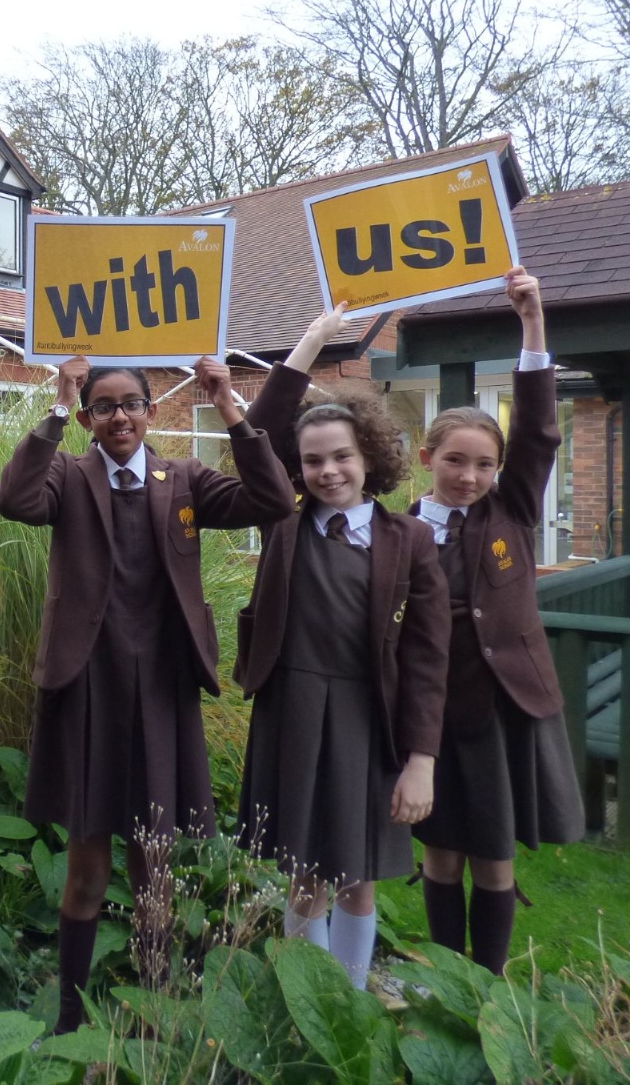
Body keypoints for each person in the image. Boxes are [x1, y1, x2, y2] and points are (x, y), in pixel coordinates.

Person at [0, 354, 295, 1033]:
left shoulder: (183, 477)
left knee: (155, 858)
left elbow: (273, 501)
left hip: (160, 686)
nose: (120, 416)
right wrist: (53, 405)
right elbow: (13, 499)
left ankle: (154, 1005)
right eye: (103, 406)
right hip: (87, 685)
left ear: (153, 412)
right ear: (88, 419)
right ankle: (70, 1018)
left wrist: (229, 406)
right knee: (87, 862)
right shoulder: (68, 476)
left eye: (131, 403)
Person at [235, 310, 450, 989]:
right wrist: (309, 344)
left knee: (358, 879)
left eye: (342, 457)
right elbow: (261, 430)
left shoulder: (408, 540)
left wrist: (421, 761)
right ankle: (308, 1001)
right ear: (296, 471)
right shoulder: (280, 522)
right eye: (314, 461)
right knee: (305, 875)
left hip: (368, 718)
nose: (328, 472)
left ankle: (350, 1001)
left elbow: (427, 656)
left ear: (371, 459)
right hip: (293, 709)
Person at [412, 266, 584, 976]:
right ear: (428, 459)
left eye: (484, 464)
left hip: (507, 710)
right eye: (455, 461)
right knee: (443, 853)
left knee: (496, 856)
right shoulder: (400, 531)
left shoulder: (509, 511)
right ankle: (446, 977)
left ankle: (490, 982)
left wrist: (532, 322)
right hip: (435, 718)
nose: (469, 476)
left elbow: (540, 431)